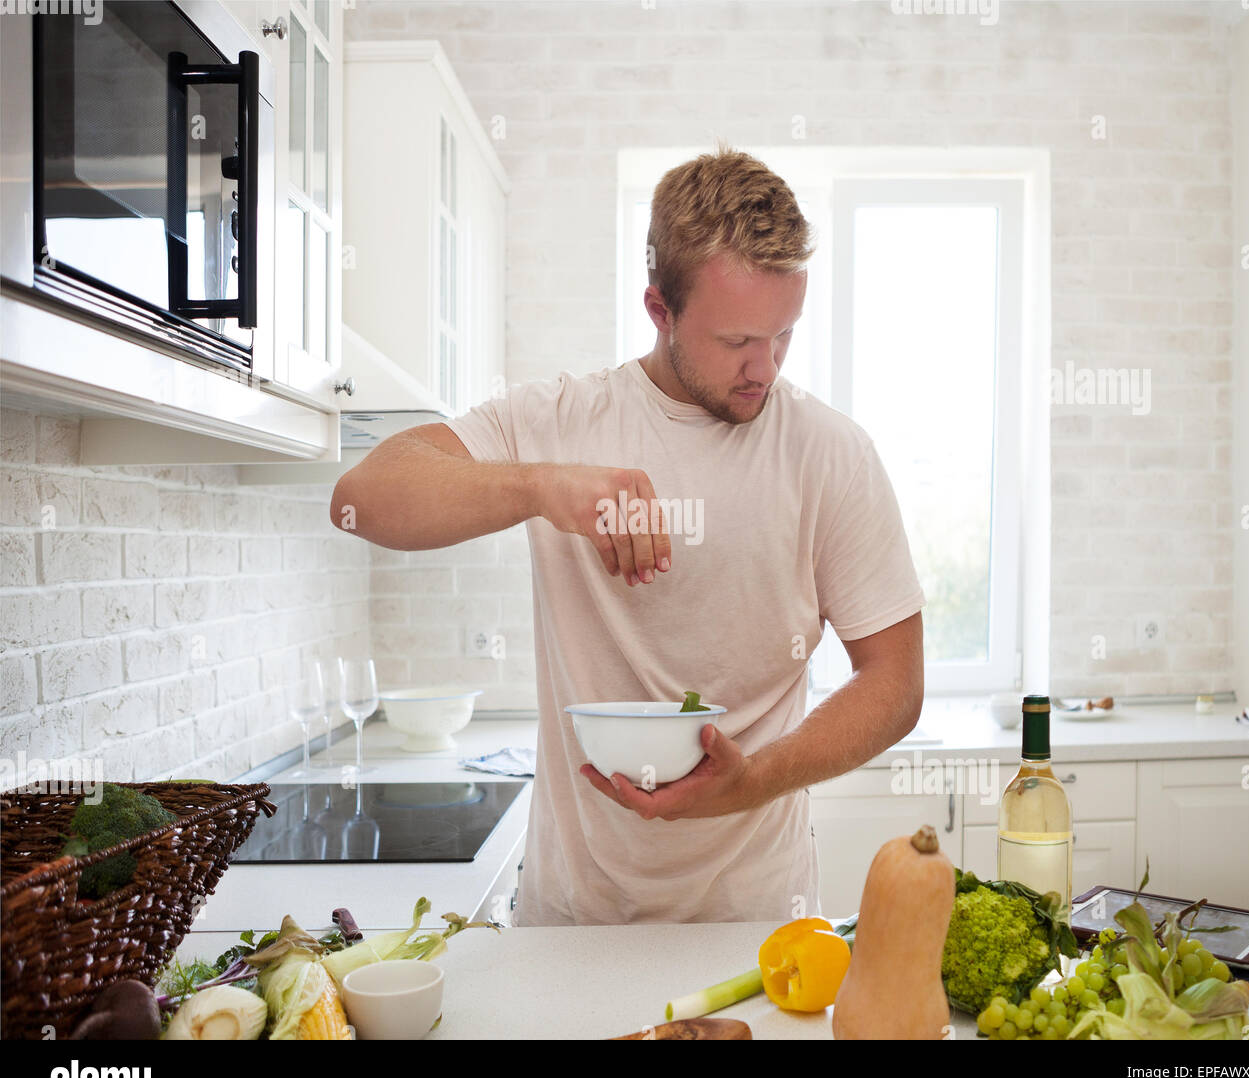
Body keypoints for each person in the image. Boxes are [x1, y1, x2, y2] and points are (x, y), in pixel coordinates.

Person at [330, 142, 925, 926]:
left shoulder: (830, 453)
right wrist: (544, 487)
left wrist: (754, 780)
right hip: (572, 924)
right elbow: (362, 496)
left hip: (755, 927)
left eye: (783, 334)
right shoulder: (559, 420)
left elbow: (895, 683)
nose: (766, 367)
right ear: (661, 310)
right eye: (737, 341)